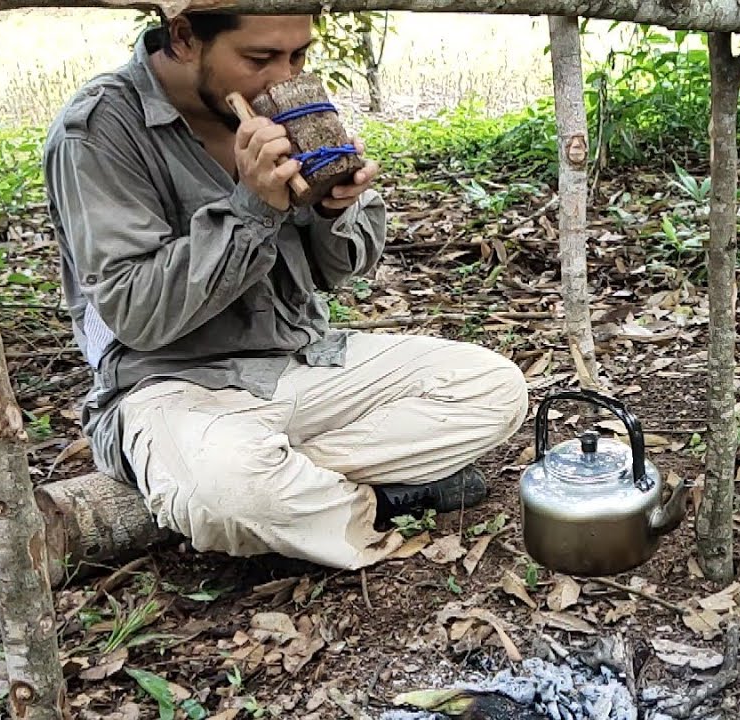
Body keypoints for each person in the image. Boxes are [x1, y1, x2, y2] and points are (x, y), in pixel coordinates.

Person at [42, 12, 529, 570]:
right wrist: (251, 207)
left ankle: (291, 489)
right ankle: (381, 495)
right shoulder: (98, 131)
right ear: (184, 38)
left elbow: (342, 269)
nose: (283, 77)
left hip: (300, 362)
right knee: (230, 490)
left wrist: (330, 209)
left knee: (494, 388)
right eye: (259, 58)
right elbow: (136, 314)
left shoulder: (286, 104)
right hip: (173, 385)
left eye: (298, 55)